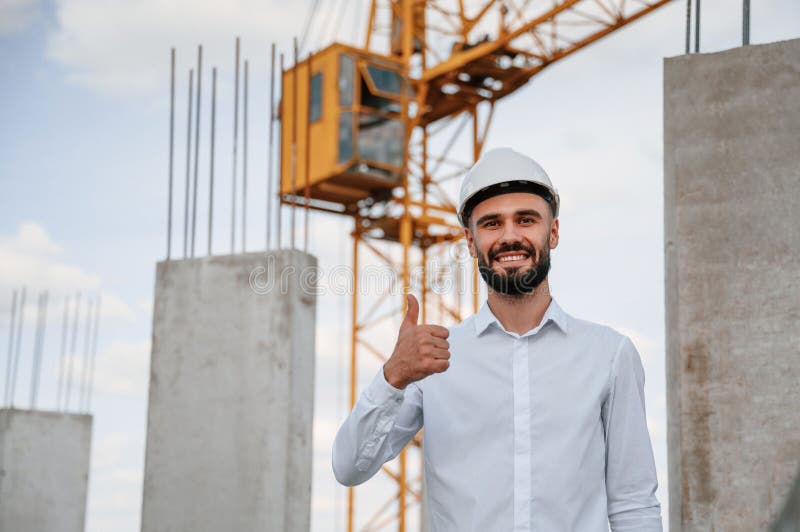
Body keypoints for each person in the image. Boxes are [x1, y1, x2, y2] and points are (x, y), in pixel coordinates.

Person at [332, 147, 662, 531]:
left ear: (552, 232)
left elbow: (634, 504)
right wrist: (393, 376)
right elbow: (349, 467)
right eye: (491, 224)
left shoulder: (609, 355)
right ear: (471, 243)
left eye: (526, 220)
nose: (509, 237)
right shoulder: (434, 361)